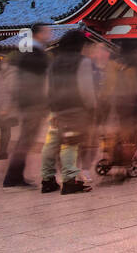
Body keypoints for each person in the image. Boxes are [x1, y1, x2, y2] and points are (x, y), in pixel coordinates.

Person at [40, 29, 97, 194]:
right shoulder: (82, 61)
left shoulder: (54, 62)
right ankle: (69, 180)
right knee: (70, 144)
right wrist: (92, 107)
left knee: (50, 144)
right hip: (75, 109)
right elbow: (85, 87)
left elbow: (47, 88)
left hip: (56, 109)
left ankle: (47, 179)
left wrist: (52, 108)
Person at [3, 25, 50, 188]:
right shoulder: (33, 53)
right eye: (46, 31)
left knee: (26, 139)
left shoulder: (27, 51)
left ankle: (15, 176)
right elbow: (35, 80)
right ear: (38, 34)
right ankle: (12, 177)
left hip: (29, 101)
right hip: (32, 102)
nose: (48, 34)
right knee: (26, 140)